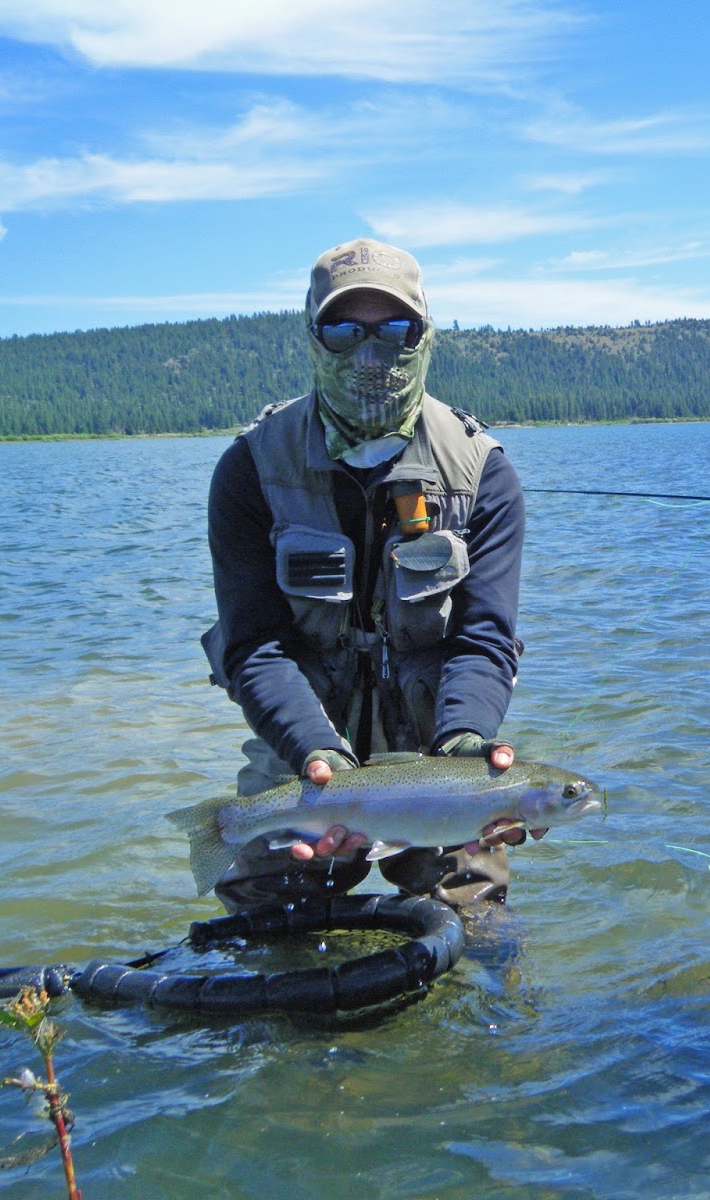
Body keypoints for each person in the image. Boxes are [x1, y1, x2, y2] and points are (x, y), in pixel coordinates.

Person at [202, 236, 529, 913]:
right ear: (313, 336)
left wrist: (467, 742)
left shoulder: (481, 473)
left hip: (439, 758)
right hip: (302, 749)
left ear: (425, 336)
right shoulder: (248, 471)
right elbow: (253, 646)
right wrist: (316, 757)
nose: (370, 353)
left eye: (395, 329)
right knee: (265, 922)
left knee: (478, 933)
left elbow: (483, 641)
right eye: (345, 330)